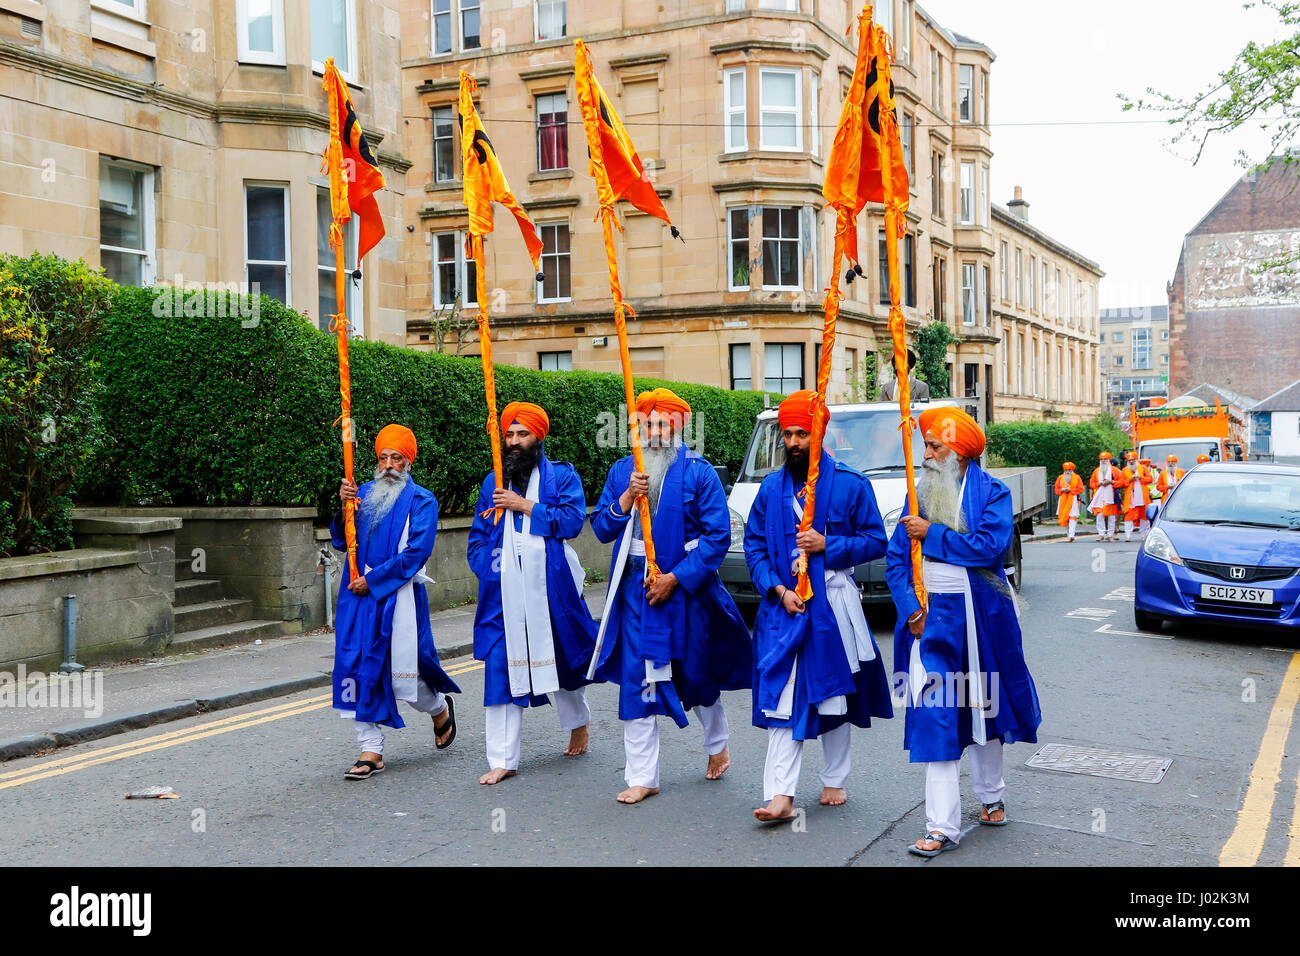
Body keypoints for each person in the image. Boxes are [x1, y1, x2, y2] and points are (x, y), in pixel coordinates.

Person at [885, 406, 1042, 856]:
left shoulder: (992, 492)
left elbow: (989, 548)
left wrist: (930, 534)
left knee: (984, 707)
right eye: (927, 446)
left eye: (935, 446)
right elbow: (898, 559)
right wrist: (911, 610)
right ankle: (941, 827)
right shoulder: (918, 495)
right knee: (936, 711)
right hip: (930, 619)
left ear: (958, 451)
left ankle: (992, 797)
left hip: (980, 616)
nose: (927, 453)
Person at [588, 388, 752, 804]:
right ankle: (643, 776)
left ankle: (717, 743)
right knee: (636, 679)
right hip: (635, 591)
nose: (655, 433)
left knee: (695, 673)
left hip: (685, 591)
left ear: (678, 427)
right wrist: (626, 497)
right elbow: (602, 529)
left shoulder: (700, 472)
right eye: (647, 425)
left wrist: (676, 578)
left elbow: (717, 538)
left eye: (662, 424)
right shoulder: (623, 470)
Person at [744, 390, 893, 823]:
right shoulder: (770, 488)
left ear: (819, 433)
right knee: (782, 698)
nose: (792, 442)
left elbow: (875, 541)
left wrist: (831, 545)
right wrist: (776, 588)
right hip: (784, 608)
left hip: (833, 604)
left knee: (834, 695)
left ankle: (834, 777)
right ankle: (780, 794)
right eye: (787, 434)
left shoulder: (850, 482)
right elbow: (754, 547)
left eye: (801, 433)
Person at [466, 402, 598, 785]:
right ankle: (503, 758)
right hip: (502, 593)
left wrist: (523, 505)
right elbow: (477, 538)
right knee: (498, 665)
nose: (514, 441)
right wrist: (490, 571)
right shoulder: (492, 482)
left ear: (539, 437)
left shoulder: (564, 477)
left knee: (563, 661)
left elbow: (572, 522)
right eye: (509, 434)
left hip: (550, 589)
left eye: (522, 434)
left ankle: (578, 721)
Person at [333, 424, 461, 780]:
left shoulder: (422, 500)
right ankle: (370, 748)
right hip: (355, 597)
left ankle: (438, 708)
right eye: (383, 457)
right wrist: (343, 506)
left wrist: (373, 581)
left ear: (408, 462)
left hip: (395, 593)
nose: (389, 464)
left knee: (403, 669)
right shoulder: (362, 494)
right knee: (355, 666)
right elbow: (343, 541)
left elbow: (417, 552)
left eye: (397, 457)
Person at [1088, 452, 1122, 542]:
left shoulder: (1115, 470)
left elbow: (1122, 482)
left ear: (1109, 460)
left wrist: (1111, 482)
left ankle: (1110, 535)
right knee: (1099, 515)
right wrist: (1098, 484)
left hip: (1111, 495)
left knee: (1111, 516)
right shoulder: (1096, 471)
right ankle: (1101, 534)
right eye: (1101, 459)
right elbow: (1091, 483)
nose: (1103, 461)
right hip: (1099, 496)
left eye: (1105, 459)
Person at [1121, 452, 1154, 541]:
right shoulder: (1124, 470)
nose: (1131, 462)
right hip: (1131, 497)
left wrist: (1141, 478)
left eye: (1133, 460)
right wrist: (1130, 479)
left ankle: (1144, 535)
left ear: (1136, 460)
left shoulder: (1143, 468)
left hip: (1143, 496)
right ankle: (1128, 536)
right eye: (1129, 460)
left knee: (1144, 516)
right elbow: (1121, 483)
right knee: (1128, 516)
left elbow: (1150, 479)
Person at [1053, 462, 1085, 542]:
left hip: (1073, 499)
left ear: (1072, 470)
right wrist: (1062, 490)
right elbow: (1056, 490)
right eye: (1066, 470)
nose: (1067, 471)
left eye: (1069, 470)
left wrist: (1071, 490)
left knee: (1072, 517)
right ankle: (1069, 535)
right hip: (1063, 500)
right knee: (1066, 517)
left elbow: (1081, 489)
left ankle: (1071, 535)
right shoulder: (1060, 478)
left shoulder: (1077, 477)